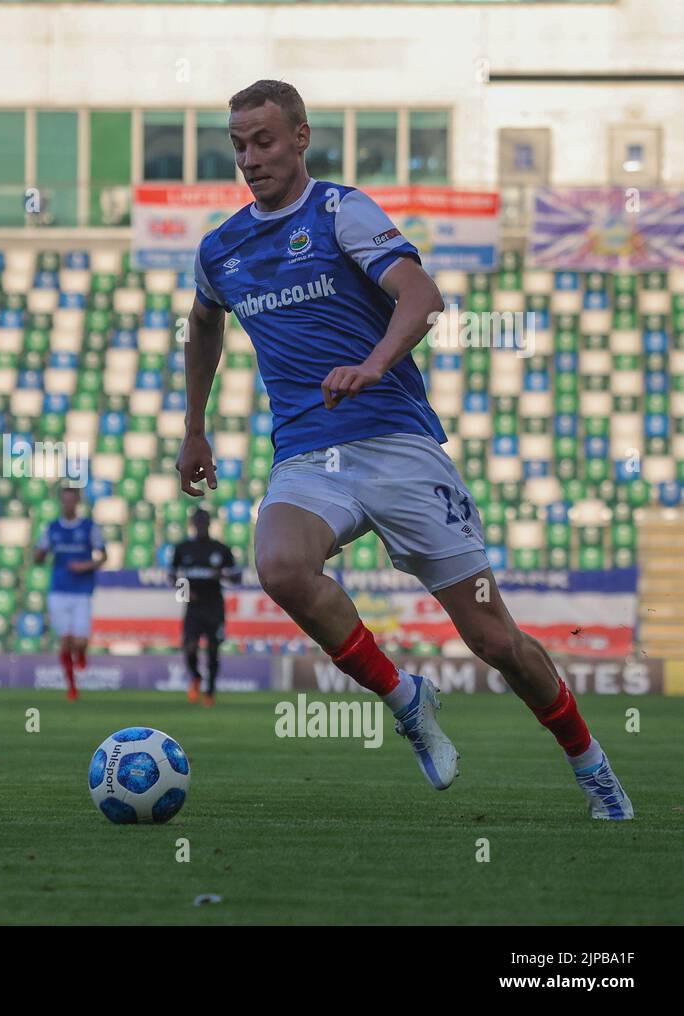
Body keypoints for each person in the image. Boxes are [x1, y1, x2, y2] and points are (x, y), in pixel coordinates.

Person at [176, 80, 632, 819]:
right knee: (281, 565)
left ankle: (591, 763)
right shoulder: (221, 248)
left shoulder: (340, 211)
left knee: (494, 637)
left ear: (300, 137)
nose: (250, 158)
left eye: (263, 140)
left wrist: (374, 364)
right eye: (237, 145)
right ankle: (405, 696)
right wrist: (194, 427)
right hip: (307, 455)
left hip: (398, 447)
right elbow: (202, 327)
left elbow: (422, 296)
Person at [33, 484, 106, 700]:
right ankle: (72, 686)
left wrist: (85, 566)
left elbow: (103, 556)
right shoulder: (52, 528)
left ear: (77, 502)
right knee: (65, 640)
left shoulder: (88, 527)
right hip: (59, 590)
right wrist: (39, 555)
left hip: (82, 591)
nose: (67, 504)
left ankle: (82, 653)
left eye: (71, 500)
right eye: (64, 500)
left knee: (80, 641)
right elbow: (39, 555)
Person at [168, 508, 238, 706]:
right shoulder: (183, 548)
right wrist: (185, 593)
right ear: (192, 524)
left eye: (204, 523)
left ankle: (210, 692)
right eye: (197, 523)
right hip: (193, 607)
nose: (200, 526)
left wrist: (222, 575)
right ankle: (196, 677)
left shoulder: (220, 549)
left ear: (209, 524)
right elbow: (172, 575)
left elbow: (236, 576)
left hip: (214, 606)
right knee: (189, 647)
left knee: (213, 650)